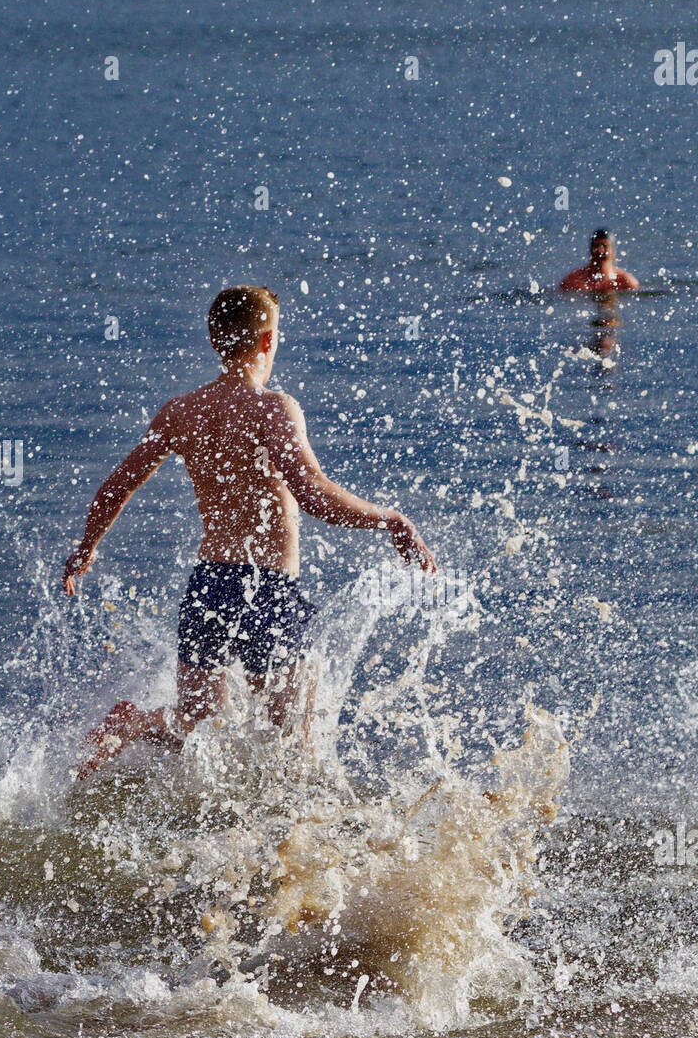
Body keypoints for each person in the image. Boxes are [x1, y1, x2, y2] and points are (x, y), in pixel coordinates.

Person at [63, 285, 436, 778]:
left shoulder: (181, 412)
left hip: (210, 583)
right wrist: (391, 518)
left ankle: (133, 723)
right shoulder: (274, 409)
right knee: (289, 742)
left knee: (197, 725)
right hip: (268, 586)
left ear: (215, 340)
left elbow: (117, 485)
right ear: (267, 341)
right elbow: (315, 494)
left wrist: (86, 548)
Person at [559, 229, 639, 294]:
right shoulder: (574, 281)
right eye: (596, 246)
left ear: (613, 251)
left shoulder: (626, 282)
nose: (600, 251)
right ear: (590, 251)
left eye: (605, 246)